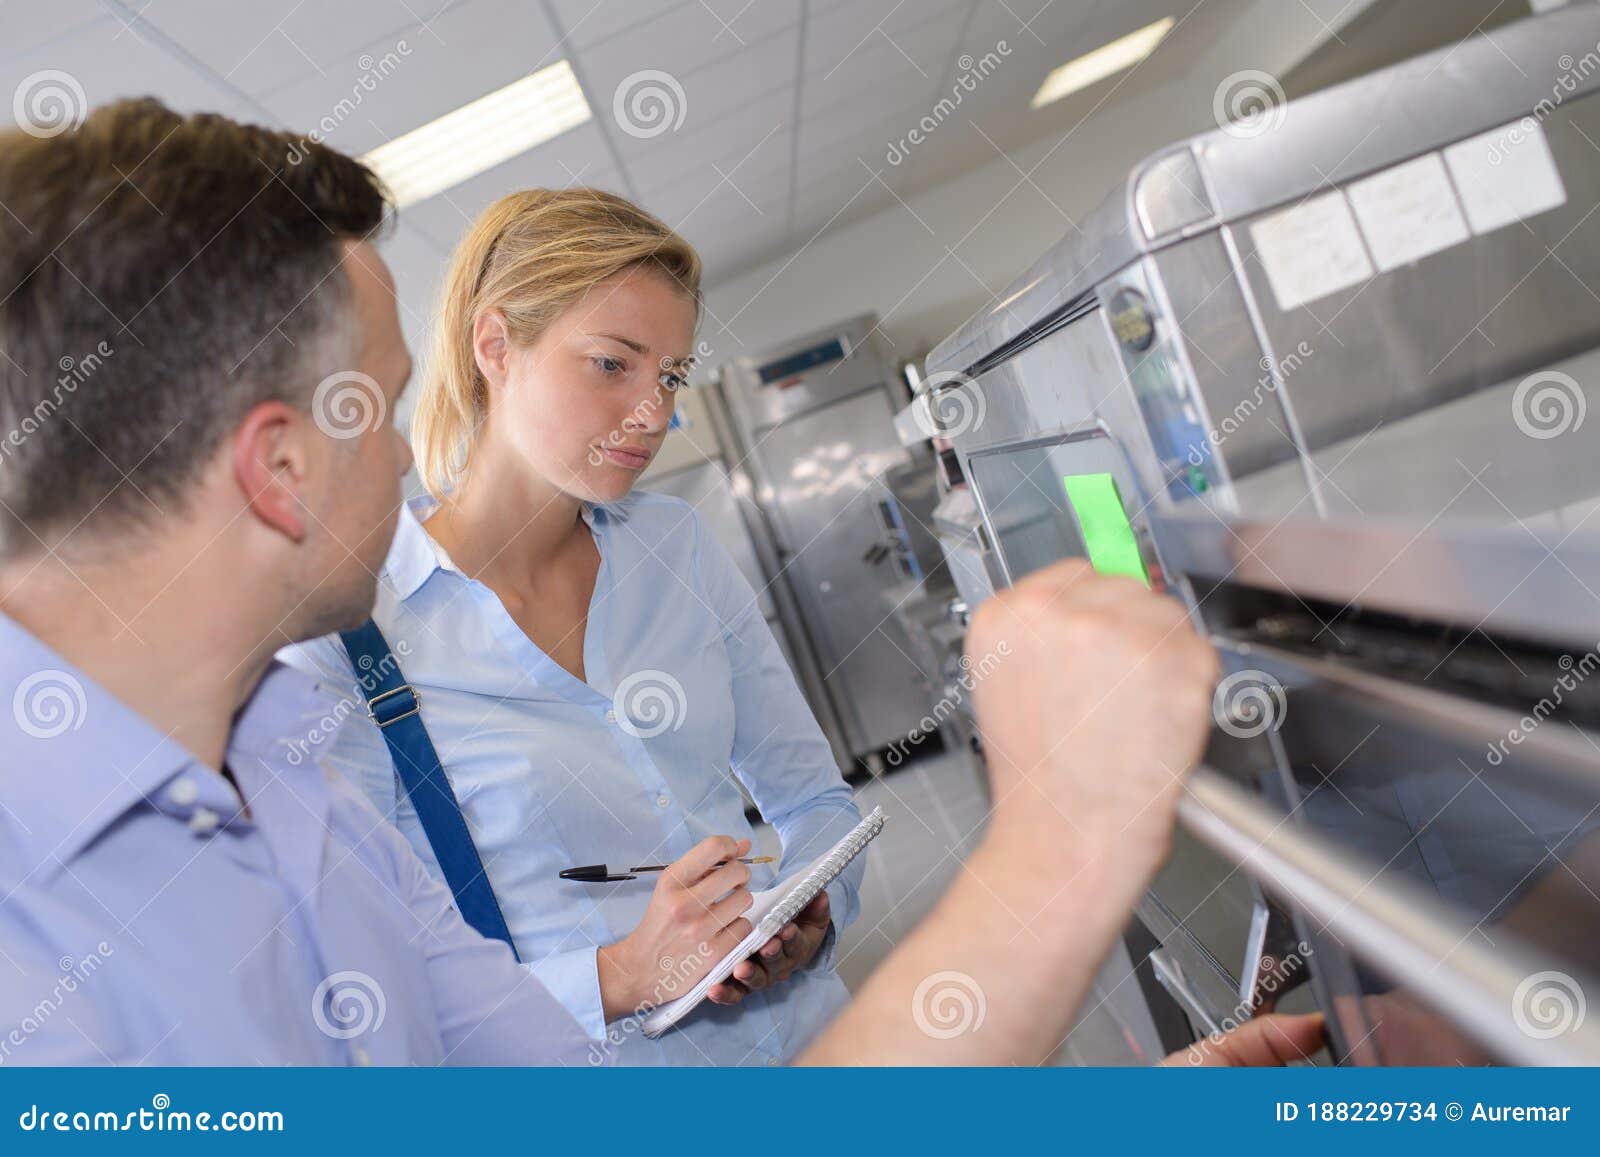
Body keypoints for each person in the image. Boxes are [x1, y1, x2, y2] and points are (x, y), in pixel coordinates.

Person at [0, 100, 1320, 1067]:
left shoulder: (288, 792)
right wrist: (1069, 821)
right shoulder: (52, 960)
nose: (404, 454)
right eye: (382, 408)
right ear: (279, 468)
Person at [276, 190, 860, 1065]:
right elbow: (364, 985)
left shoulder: (678, 548)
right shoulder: (349, 635)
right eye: (611, 365)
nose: (652, 413)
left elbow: (817, 802)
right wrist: (623, 973)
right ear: (496, 345)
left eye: (669, 375)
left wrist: (811, 919)